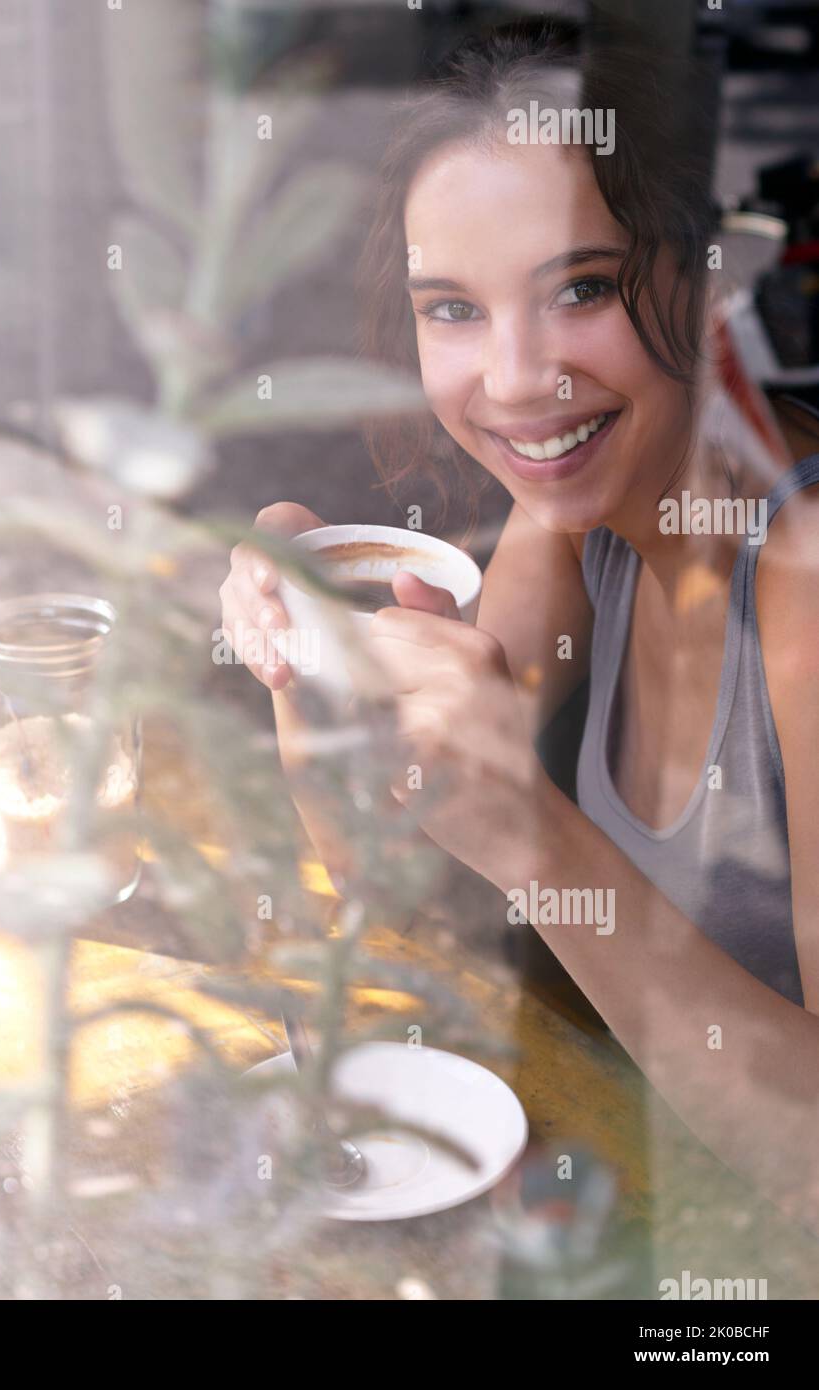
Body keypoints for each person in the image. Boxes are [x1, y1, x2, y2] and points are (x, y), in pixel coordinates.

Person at [218, 19, 819, 1228]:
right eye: (451, 309)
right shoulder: (574, 522)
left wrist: (537, 835)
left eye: (579, 289)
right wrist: (318, 672)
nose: (510, 378)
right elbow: (410, 906)